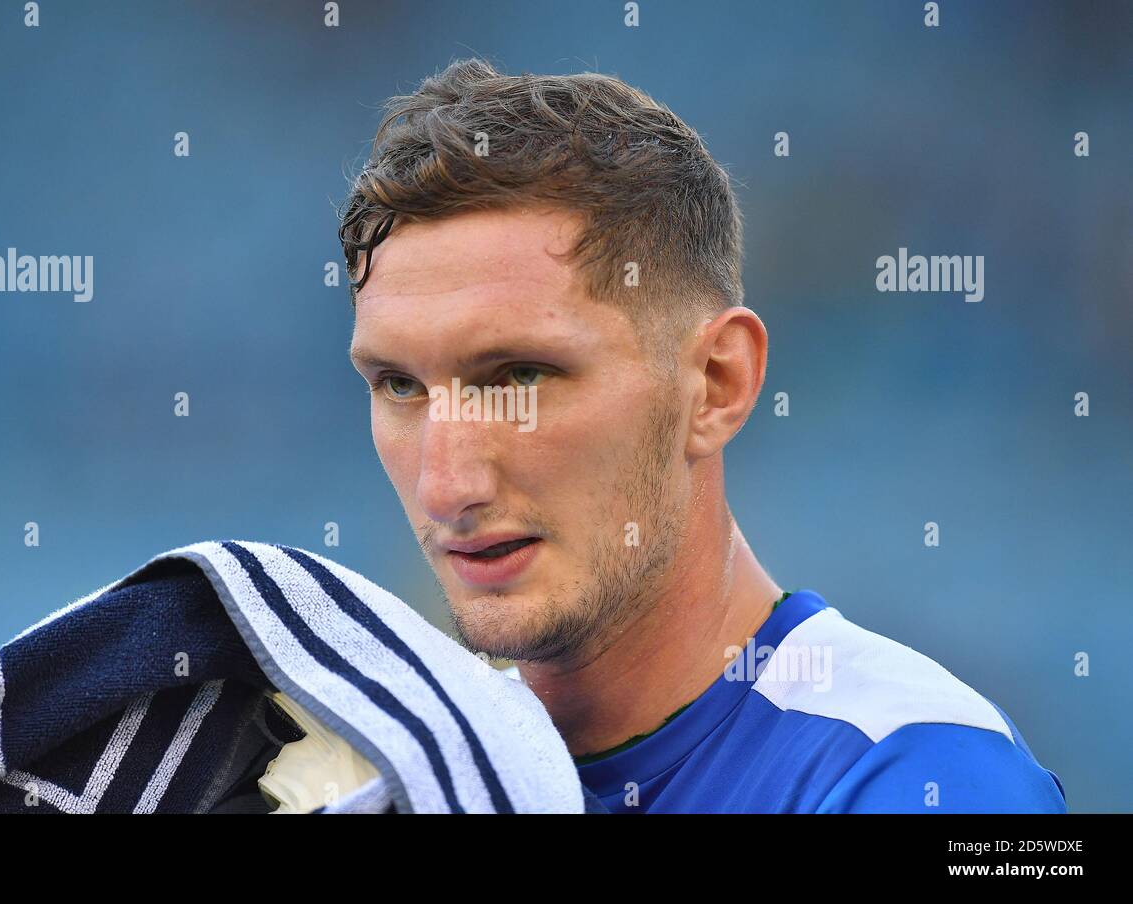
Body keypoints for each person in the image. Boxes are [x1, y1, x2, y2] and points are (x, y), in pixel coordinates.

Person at [336, 58, 1065, 813]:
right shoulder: (393, 777)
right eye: (400, 385)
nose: (446, 486)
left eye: (521, 376)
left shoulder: (927, 776)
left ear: (717, 384)